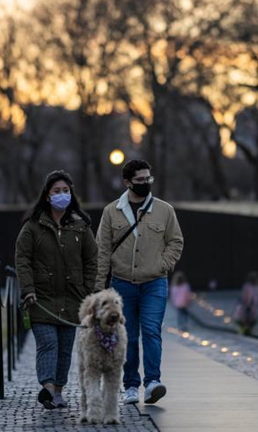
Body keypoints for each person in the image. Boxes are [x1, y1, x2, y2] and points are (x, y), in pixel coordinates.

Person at [94, 159, 184, 406]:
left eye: (148, 179)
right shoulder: (111, 211)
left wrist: (161, 264)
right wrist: (99, 287)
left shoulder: (165, 210)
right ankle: (131, 385)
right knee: (128, 336)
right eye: (140, 180)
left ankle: (153, 382)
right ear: (127, 182)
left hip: (154, 282)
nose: (146, 183)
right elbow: (102, 250)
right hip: (121, 283)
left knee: (152, 331)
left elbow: (176, 241)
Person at [15, 170, 98, 410]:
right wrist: (27, 289)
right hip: (41, 298)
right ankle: (48, 388)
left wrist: (87, 289)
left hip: (74, 298)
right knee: (48, 343)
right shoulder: (33, 227)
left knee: (65, 349)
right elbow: (22, 258)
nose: (62, 195)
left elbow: (92, 259)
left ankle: (58, 391)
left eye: (65, 190)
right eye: (56, 191)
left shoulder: (81, 227)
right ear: (47, 195)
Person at [233, 271, 258, 336]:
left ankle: (249, 329)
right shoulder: (247, 286)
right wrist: (247, 303)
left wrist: (257, 303)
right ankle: (244, 329)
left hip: (253, 306)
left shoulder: (257, 287)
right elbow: (245, 295)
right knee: (244, 318)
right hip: (246, 305)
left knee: (252, 318)